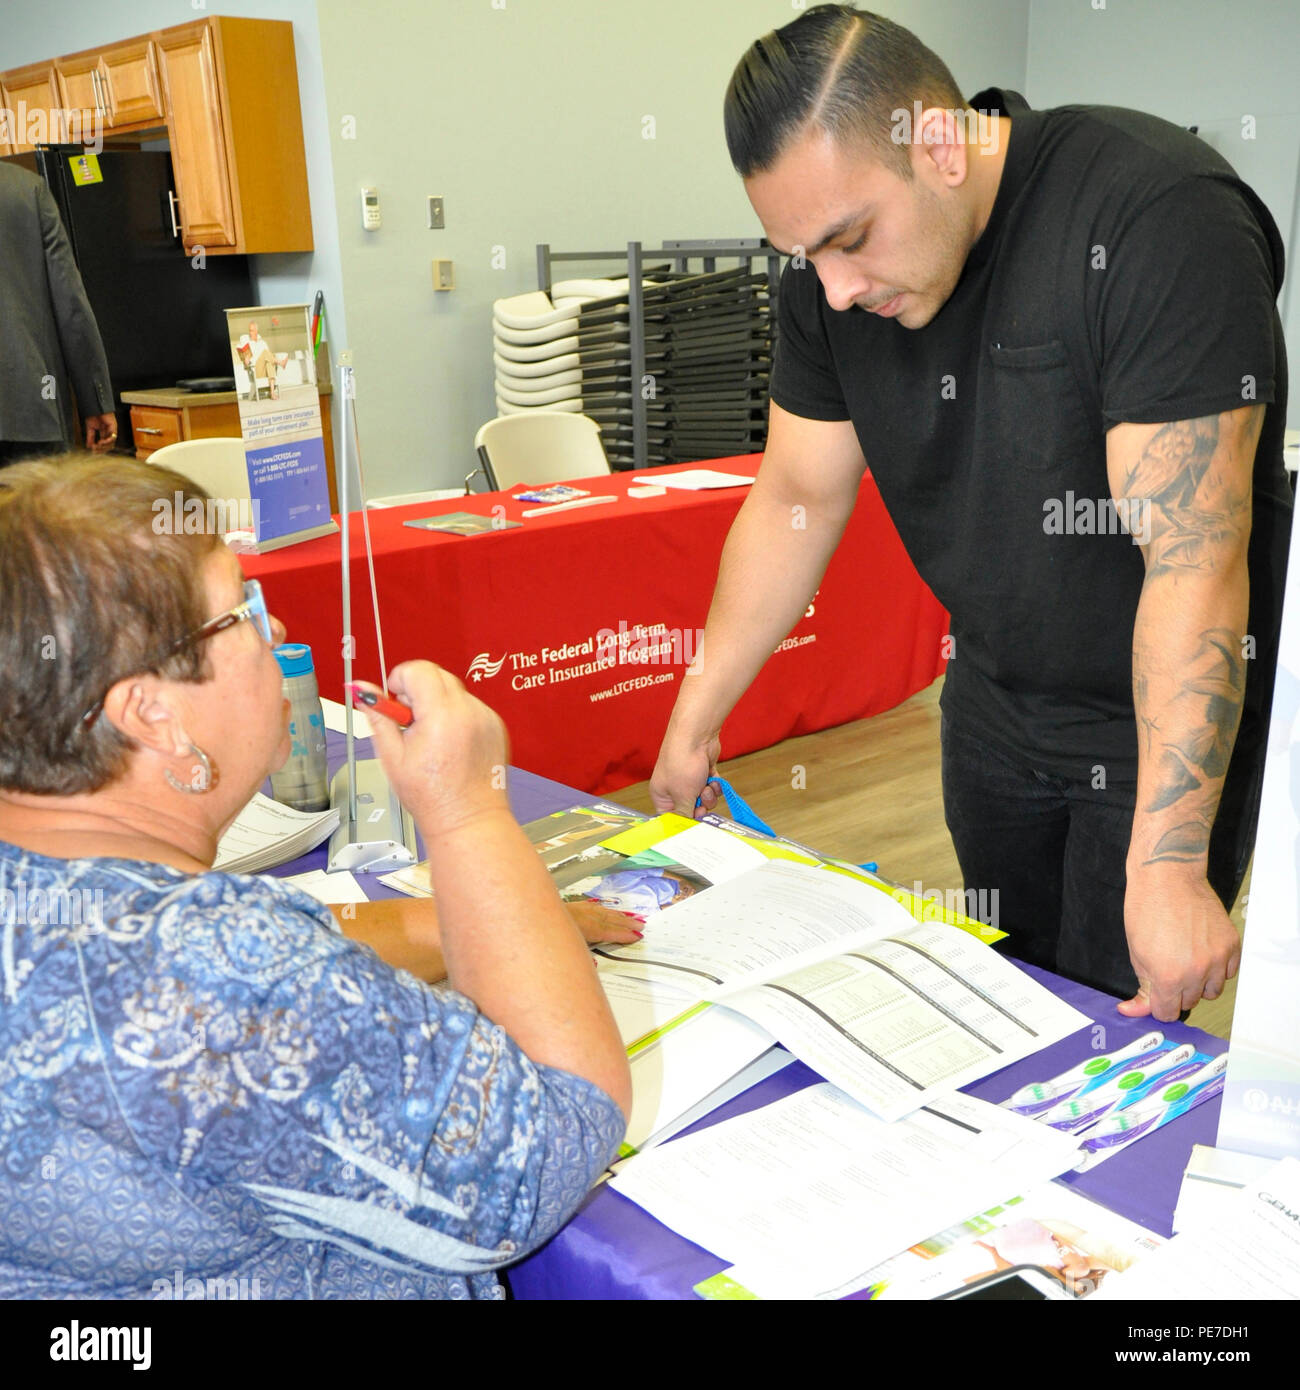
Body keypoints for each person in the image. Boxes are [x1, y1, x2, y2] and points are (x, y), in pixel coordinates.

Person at [650, 6, 1292, 1023]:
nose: (835, 288)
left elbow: (1193, 559)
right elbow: (794, 498)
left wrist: (1168, 867)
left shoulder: (1156, 218)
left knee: (1104, 1031)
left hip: (1152, 722)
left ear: (937, 145)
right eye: (802, 255)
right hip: (992, 700)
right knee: (1007, 995)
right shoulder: (832, 282)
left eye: (851, 240)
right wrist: (694, 717)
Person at [0, 454, 634, 1300]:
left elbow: (285, 956)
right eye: (245, 615)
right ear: (152, 715)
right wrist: (468, 810)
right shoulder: (218, 975)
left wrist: (458, 926)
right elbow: (558, 1138)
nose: (277, 639)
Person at [0, 161, 118, 464]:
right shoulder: (27, 189)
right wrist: (95, 398)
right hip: (34, 412)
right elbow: (70, 303)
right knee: (39, 511)